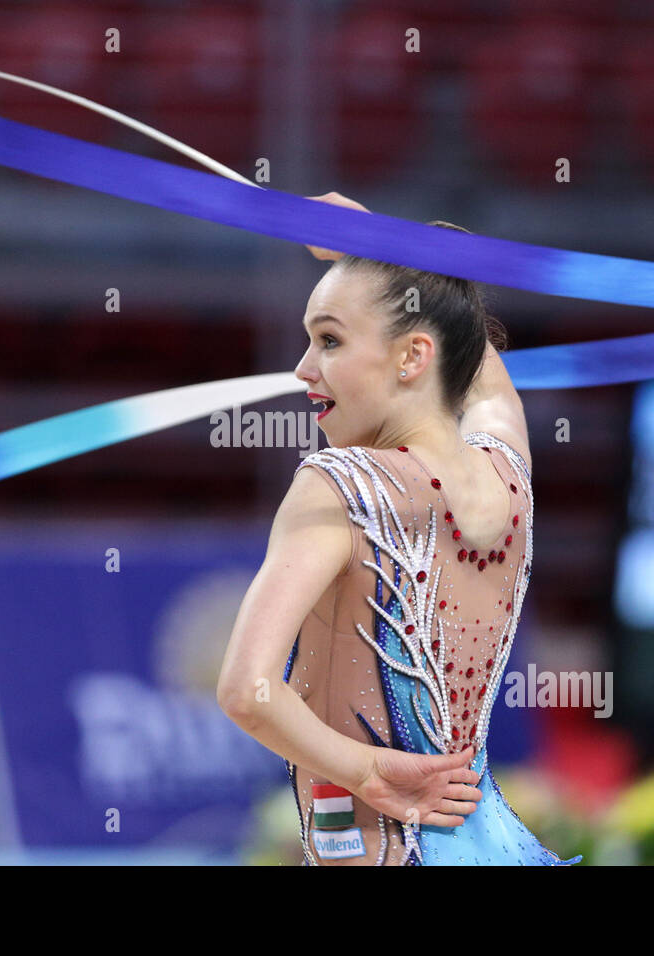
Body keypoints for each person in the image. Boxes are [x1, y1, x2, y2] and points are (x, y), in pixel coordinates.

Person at [217, 192, 580, 866]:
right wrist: (382, 242)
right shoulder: (510, 476)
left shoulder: (341, 484)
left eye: (329, 340)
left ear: (412, 357)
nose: (303, 368)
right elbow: (479, 371)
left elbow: (247, 690)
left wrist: (365, 771)